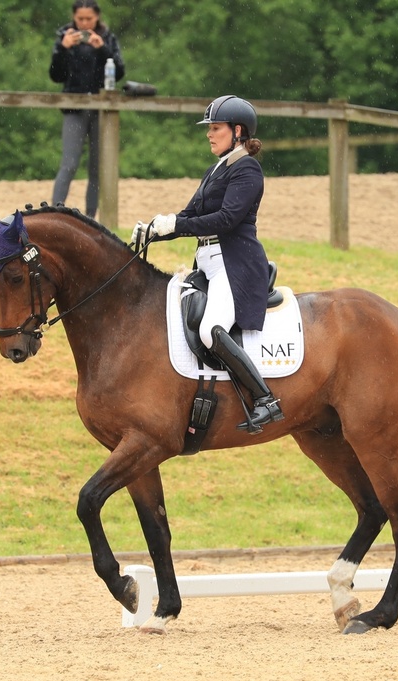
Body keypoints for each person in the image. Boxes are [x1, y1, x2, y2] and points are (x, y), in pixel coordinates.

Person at [131, 95, 284, 434]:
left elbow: (227, 219)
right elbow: (189, 217)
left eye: (215, 128)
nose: (209, 134)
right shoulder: (216, 169)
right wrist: (155, 229)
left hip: (235, 265)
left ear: (237, 131)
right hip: (209, 264)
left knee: (210, 330)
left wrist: (177, 225)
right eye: (210, 129)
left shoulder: (247, 169)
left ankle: (265, 400)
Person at [48, 0, 124, 219]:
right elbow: (55, 76)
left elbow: (118, 72)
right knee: (69, 163)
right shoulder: (64, 36)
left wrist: (103, 50)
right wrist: (63, 48)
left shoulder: (107, 38)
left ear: (97, 17)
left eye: (88, 19)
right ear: (74, 17)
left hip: (101, 108)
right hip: (74, 107)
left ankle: (91, 215)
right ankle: (56, 211)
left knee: (96, 167)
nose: (84, 24)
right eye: (80, 19)